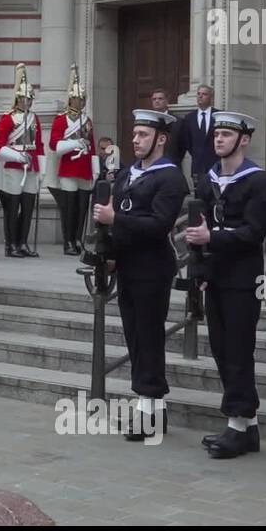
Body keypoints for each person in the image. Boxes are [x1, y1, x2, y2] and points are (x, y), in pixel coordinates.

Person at [186, 112, 266, 458]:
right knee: (222, 348)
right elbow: (205, 226)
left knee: (239, 348)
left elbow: (254, 233)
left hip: (245, 275)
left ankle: (237, 424)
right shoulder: (209, 179)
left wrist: (213, 236)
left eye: (226, 134)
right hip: (218, 274)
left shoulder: (258, 181)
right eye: (217, 134)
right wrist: (203, 268)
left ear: (244, 140)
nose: (219, 139)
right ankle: (247, 425)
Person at [93, 108, 186, 440]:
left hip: (152, 266)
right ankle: (148, 405)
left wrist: (114, 219)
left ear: (161, 139)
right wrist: (110, 254)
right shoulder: (128, 173)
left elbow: (159, 224)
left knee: (149, 335)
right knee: (134, 335)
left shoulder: (171, 177)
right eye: (134, 134)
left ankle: (150, 408)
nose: (135, 140)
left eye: (143, 135)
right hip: (129, 264)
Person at [0, 64, 44, 258]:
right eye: (24, 98)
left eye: (30, 99)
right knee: (13, 208)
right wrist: (17, 155)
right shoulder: (8, 118)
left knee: (28, 206)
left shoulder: (34, 118)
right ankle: (11, 244)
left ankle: (23, 242)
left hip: (30, 167)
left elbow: (39, 145)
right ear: (17, 98)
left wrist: (41, 170)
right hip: (13, 167)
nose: (28, 102)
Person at [48, 65, 96, 255]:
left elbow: (91, 145)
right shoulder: (61, 120)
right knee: (69, 207)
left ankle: (78, 239)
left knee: (82, 207)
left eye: (83, 99)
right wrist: (75, 144)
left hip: (84, 169)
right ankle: (68, 241)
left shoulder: (87, 120)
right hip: (68, 167)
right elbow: (54, 145)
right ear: (71, 99)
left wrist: (95, 168)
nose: (82, 102)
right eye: (79, 98)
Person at [172, 84, 219, 186]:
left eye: (204, 94)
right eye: (198, 94)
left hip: (216, 165)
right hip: (197, 167)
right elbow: (187, 142)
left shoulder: (218, 116)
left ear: (211, 97)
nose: (200, 96)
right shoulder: (189, 118)